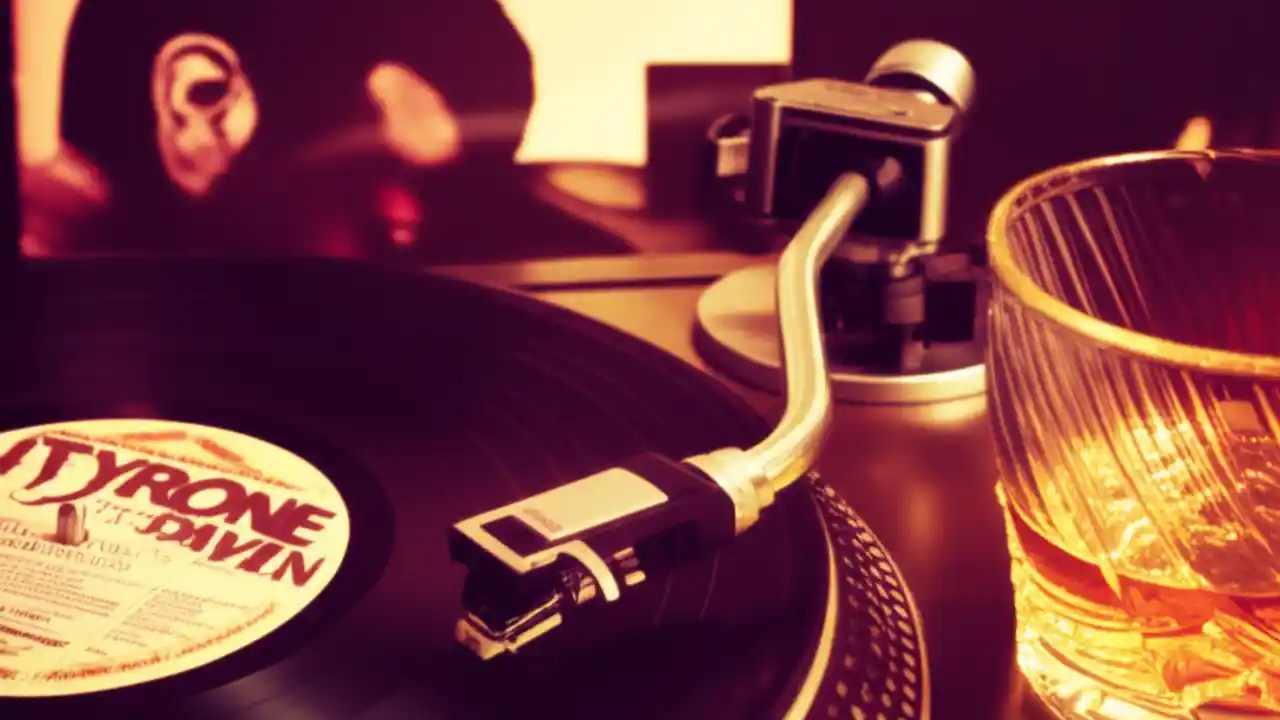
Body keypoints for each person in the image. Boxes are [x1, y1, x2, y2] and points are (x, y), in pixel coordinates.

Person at [27, 0, 629, 260]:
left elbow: (489, 95)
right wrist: (64, 206)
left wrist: (425, 121)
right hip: (194, 325)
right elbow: (100, 173)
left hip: (404, 324)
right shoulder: (120, 15)